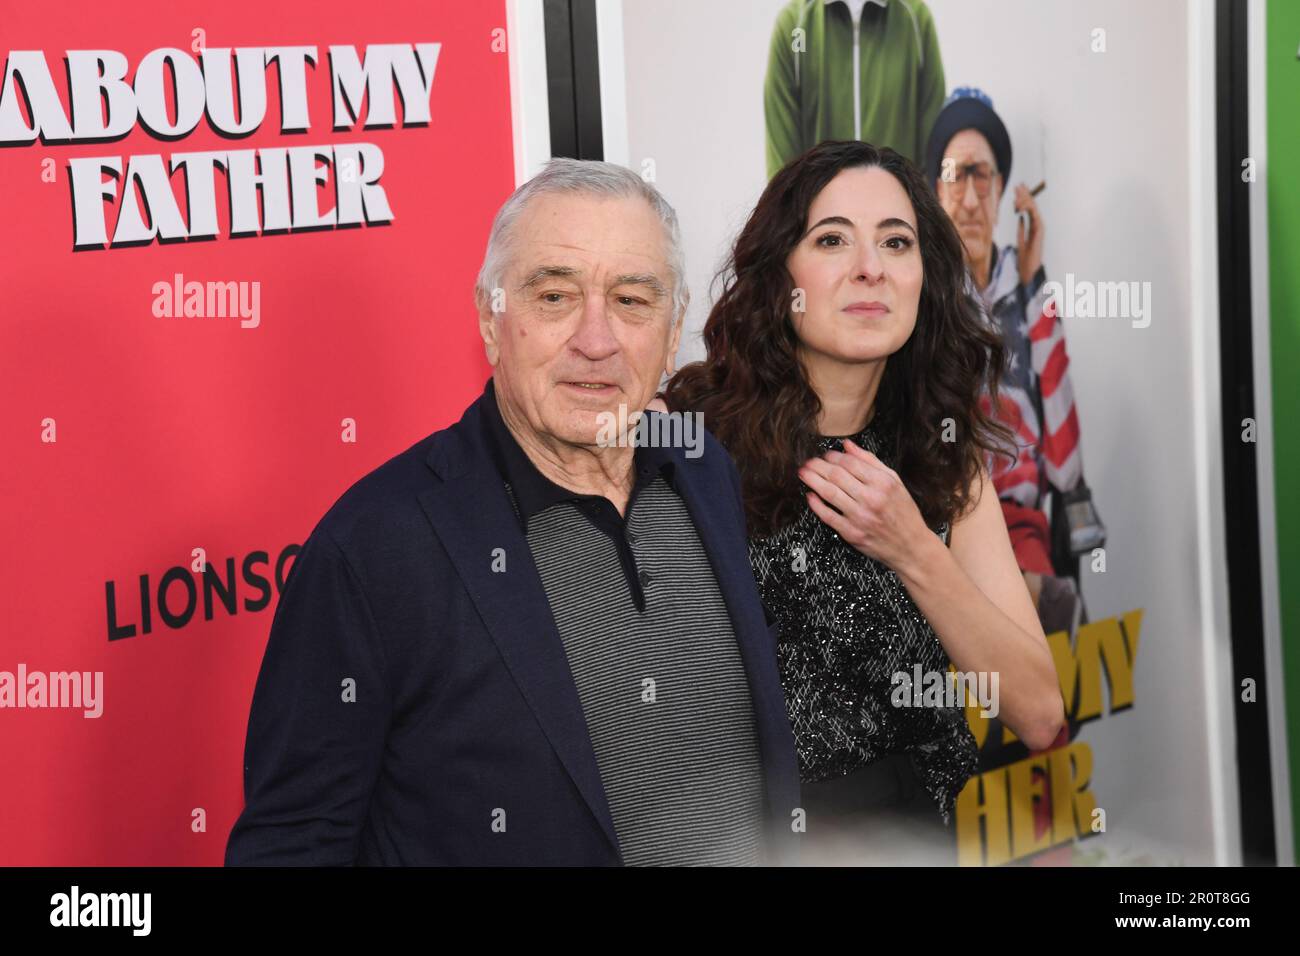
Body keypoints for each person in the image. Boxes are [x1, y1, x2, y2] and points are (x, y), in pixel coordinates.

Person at [225, 159, 800, 867]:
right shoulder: (376, 545)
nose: (597, 340)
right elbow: (293, 842)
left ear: (674, 324)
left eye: (632, 300)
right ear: (491, 320)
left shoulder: (705, 471)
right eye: (554, 296)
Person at [660, 140, 1064, 864]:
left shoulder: (942, 451)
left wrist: (914, 548)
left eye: (896, 242)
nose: (870, 266)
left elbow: (1037, 713)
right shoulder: (693, 435)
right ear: (780, 272)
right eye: (832, 239)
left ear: (924, 277)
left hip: (921, 839)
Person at [924, 87, 1106, 643]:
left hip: (1022, 527)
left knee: (1043, 712)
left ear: (1004, 190)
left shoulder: (1030, 294)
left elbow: (1065, 460)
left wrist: (1035, 287)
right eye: (955, 175)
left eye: (984, 177)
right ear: (935, 191)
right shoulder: (921, 295)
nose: (971, 198)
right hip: (945, 526)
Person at [764, 0, 946, 179]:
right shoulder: (795, 27)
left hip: (899, 206)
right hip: (819, 208)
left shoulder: (916, 21)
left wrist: (949, 185)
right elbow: (782, 175)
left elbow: (939, 156)